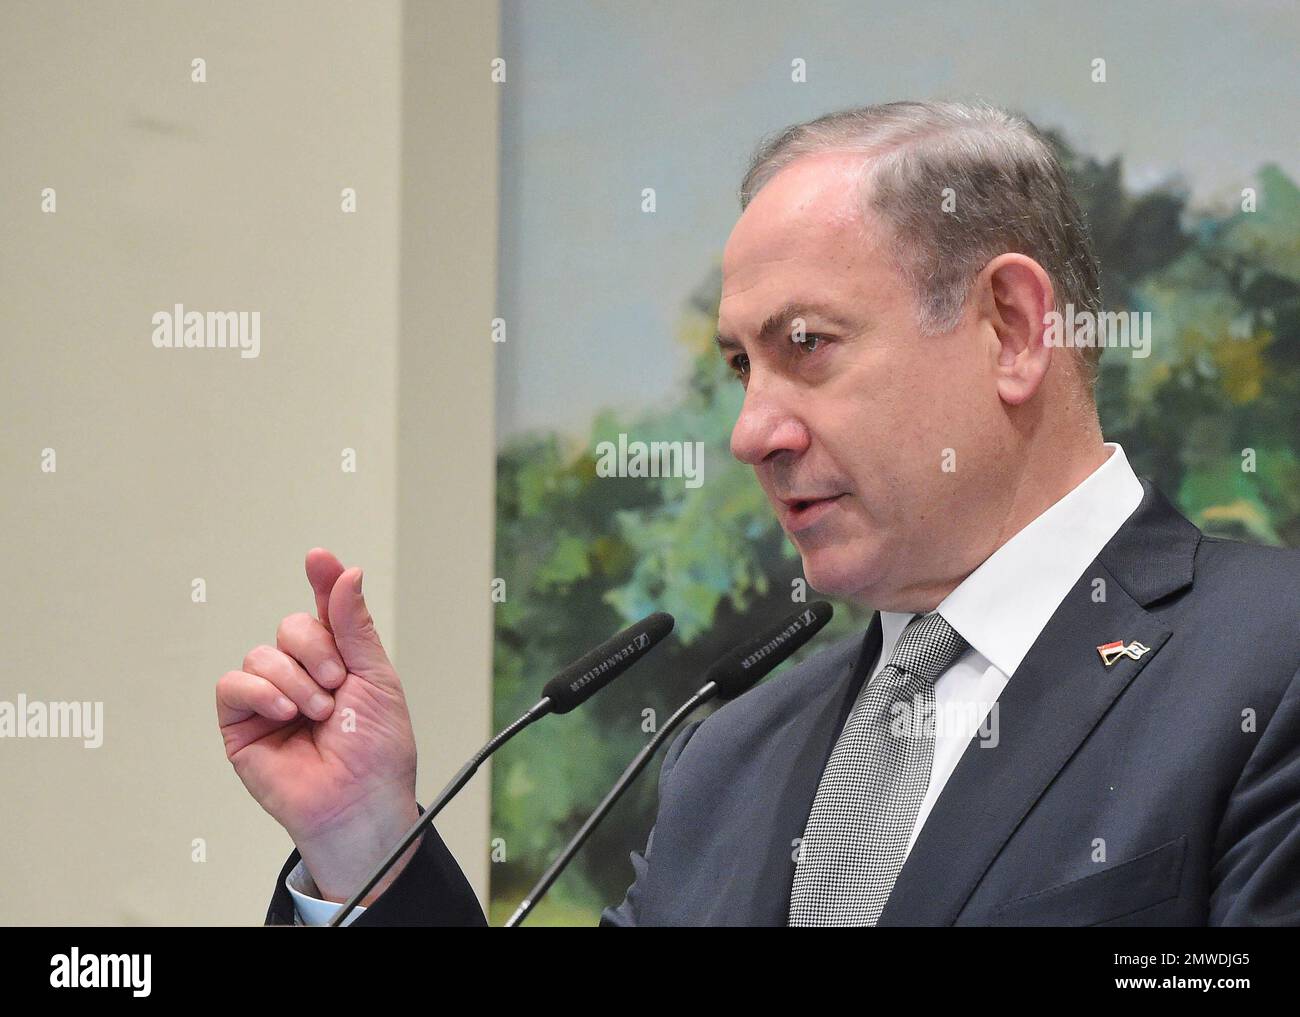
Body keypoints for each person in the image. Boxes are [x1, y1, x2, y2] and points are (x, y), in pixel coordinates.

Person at [217, 100, 1300, 926]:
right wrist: (366, 843)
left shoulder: (1268, 662)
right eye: (740, 365)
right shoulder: (726, 759)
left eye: (806, 348)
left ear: (1012, 330)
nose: (751, 431)